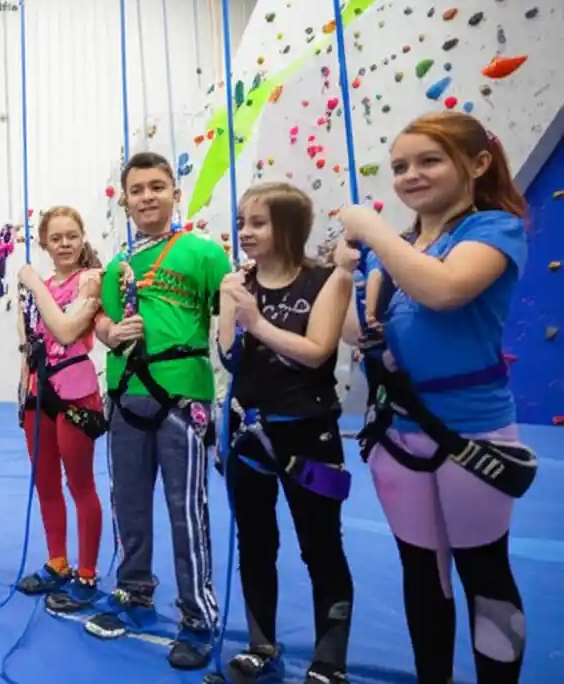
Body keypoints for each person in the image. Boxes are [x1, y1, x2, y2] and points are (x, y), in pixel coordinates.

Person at [337, 111, 534, 683]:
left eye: (429, 161)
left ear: (476, 165)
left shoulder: (493, 229)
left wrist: (371, 233)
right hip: (397, 432)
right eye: (400, 166)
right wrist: (344, 272)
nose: (410, 176)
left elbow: (445, 290)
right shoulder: (395, 248)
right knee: (422, 571)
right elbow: (357, 332)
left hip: (470, 431)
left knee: (483, 570)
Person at [88, 152, 231, 670]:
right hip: (126, 394)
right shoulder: (119, 266)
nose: (146, 197)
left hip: (183, 396)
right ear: (124, 200)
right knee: (128, 500)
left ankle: (196, 614)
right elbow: (102, 320)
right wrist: (108, 331)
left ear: (174, 192)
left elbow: (233, 315)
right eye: (137, 189)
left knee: (185, 507)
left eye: (156, 187)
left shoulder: (204, 254)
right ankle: (133, 590)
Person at [217, 183, 354, 683]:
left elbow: (317, 351)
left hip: (306, 433)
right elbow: (230, 357)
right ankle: (261, 643)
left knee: (320, 545)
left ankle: (328, 661)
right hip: (250, 433)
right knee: (256, 542)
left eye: (258, 223)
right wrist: (231, 311)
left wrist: (254, 320)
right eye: (243, 222)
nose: (245, 232)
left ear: (289, 228)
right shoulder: (237, 282)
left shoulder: (326, 279)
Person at [12, 207, 107, 609]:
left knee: (80, 484)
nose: (65, 244)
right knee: (46, 483)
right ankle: (57, 561)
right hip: (39, 392)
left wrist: (34, 285)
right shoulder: (40, 286)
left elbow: (67, 330)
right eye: (57, 238)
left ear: (83, 237)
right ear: (44, 243)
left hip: (75, 393)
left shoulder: (90, 281)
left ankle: (86, 574)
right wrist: (22, 391)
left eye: (72, 236)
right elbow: (29, 342)